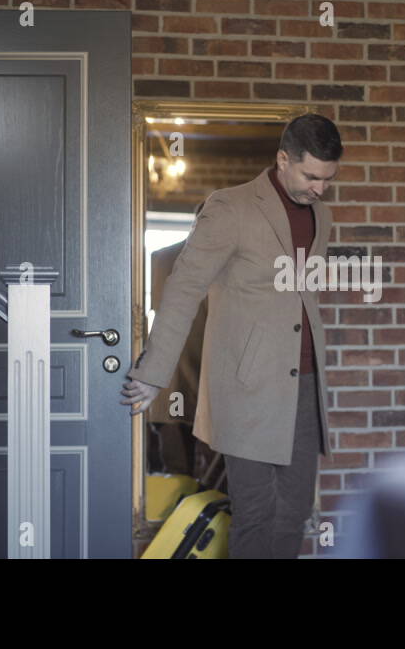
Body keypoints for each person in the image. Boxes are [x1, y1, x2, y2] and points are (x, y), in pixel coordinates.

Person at [121, 113, 342, 558]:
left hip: (303, 386)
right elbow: (183, 288)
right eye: (311, 176)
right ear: (283, 159)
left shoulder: (323, 214)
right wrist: (154, 371)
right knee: (256, 512)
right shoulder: (230, 207)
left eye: (327, 179)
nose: (319, 188)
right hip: (246, 387)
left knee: (295, 510)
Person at [145, 202, 210, 477]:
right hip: (201, 380)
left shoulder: (161, 258)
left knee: (175, 469)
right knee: (212, 473)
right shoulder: (227, 262)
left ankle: (181, 516)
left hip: (168, 379)